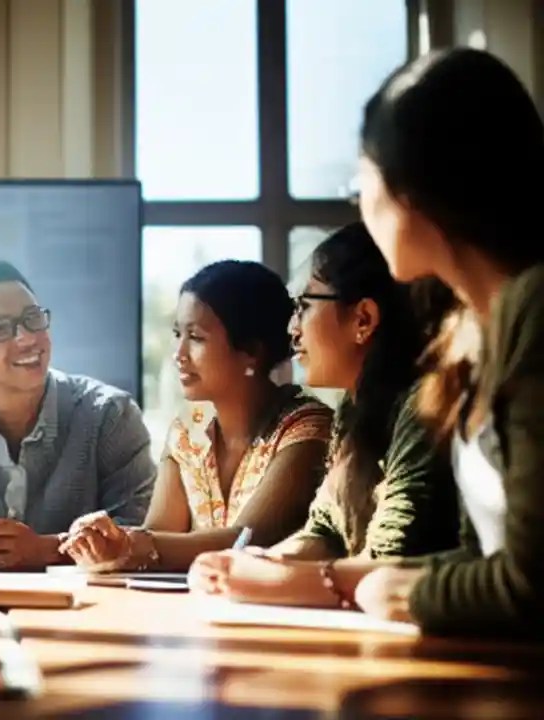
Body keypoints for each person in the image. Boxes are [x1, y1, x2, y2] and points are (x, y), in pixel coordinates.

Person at [192, 48, 544, 639]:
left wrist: (357, 583)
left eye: (365, 178)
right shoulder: (471, 340)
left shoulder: (533, 309)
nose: (360, 201)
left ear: (421, 184)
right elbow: (480, 556)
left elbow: (529, 582)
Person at [187, 225, 461, 606]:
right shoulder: (354, 406)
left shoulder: (422, 405)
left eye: (304, 306)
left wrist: (270, 579)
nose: (292, 330)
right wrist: (256, 561)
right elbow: (325, 531)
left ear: (363, 319)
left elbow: (389, 559)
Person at [61, 260, 333, 572]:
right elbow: (159, 533)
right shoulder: (188, 433)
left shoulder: (306, 428)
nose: (179, 354)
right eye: (178, 334)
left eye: (196, 337)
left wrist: (130, 545)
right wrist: (108, 543)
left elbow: (247, 542)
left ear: (251, 352)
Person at [0, 260, 156, 570]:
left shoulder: (110, 415)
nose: (27, 338)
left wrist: (45, 549)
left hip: (86, 610)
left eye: (32, 318)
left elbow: (138, 540)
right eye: (0, 328)